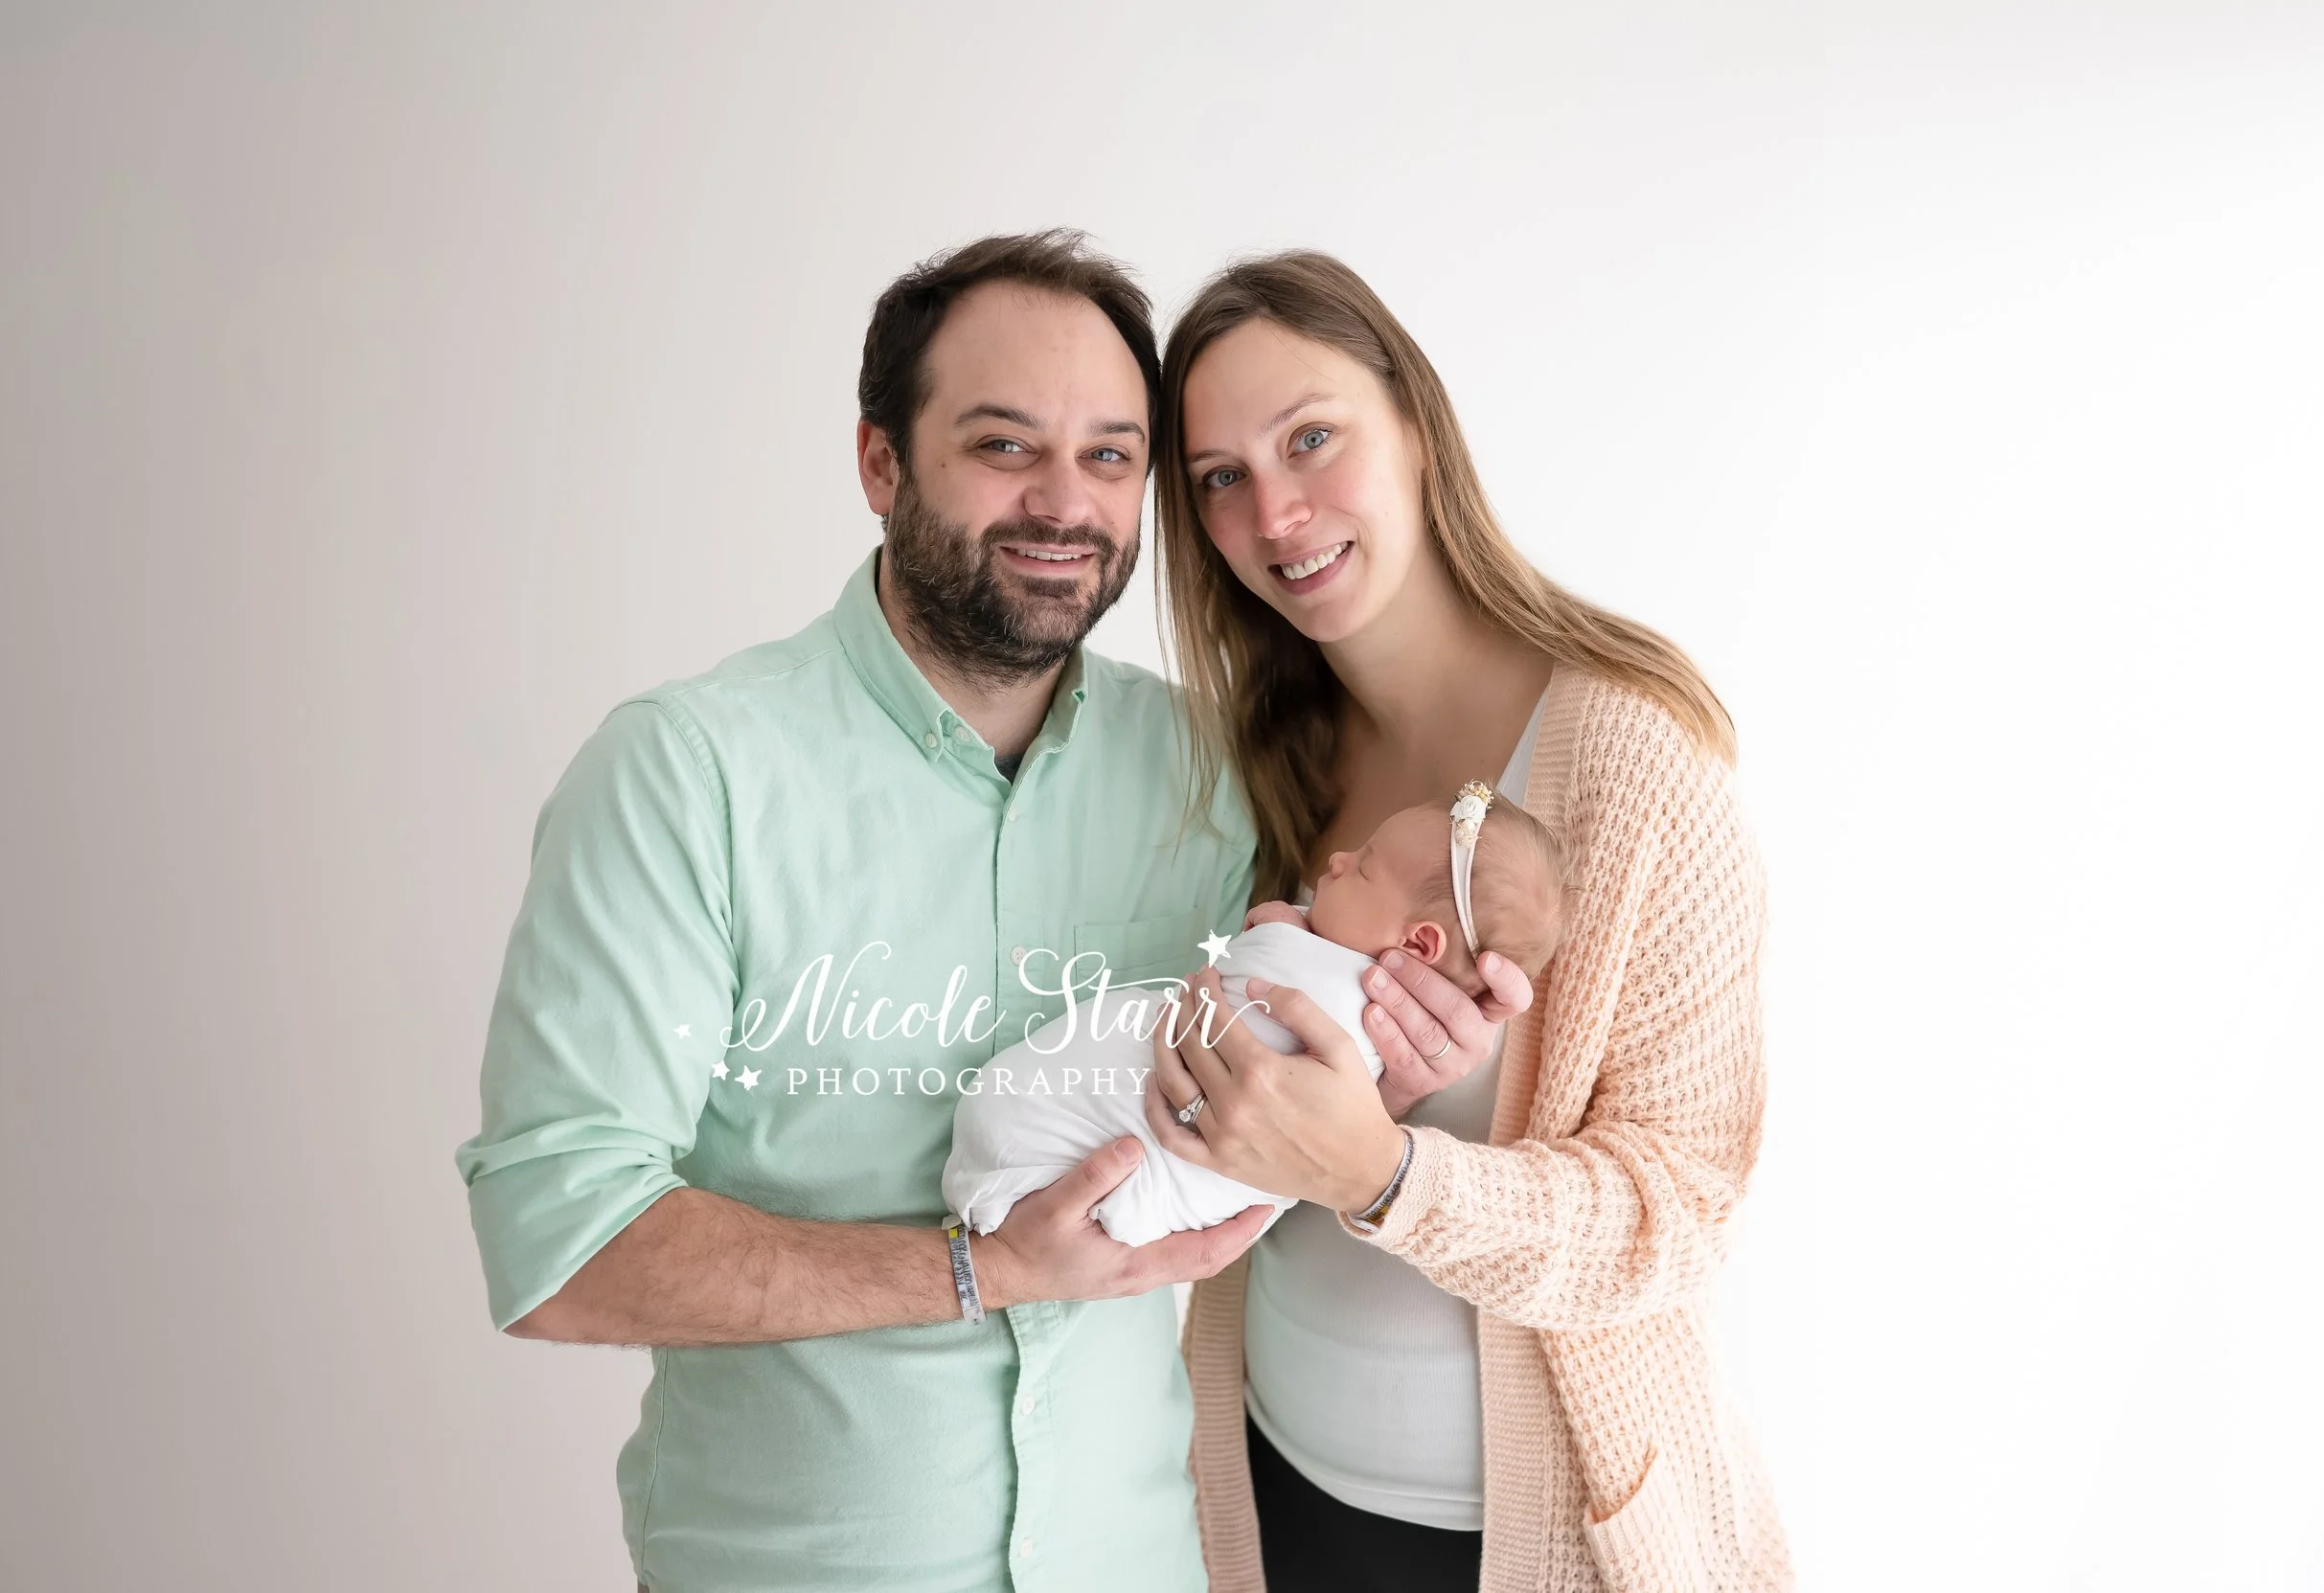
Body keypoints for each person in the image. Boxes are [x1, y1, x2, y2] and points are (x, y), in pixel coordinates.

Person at [459, 231, 1293, 1593]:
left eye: (1109, 454)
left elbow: (1259, 1118)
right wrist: (976, 1268)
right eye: (1003, 444)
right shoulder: (691, 772)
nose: (1062, 503)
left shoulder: (1208, 773)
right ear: (880, 464)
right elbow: (561, 1244)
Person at [1142, 252, 1792, 1592]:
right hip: (1268, 1496)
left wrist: (1390, 1174)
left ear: (1419, 429)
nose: (1276, 508)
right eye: (1219, 476)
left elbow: (1684, 1212)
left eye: (1310, 437)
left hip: (1537, 1535)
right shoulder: (1261, 767)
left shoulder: (1629, 758)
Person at [942, 789, 1566, 1245]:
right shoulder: (1368, 1002)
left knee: (1044, 1099)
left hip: (1194, 1153)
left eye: (1365, 865)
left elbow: (1274, 973)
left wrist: (1282, 925)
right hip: (1208, 1191)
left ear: (1419, 947)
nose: (1338, 860)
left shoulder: (1332, 986)